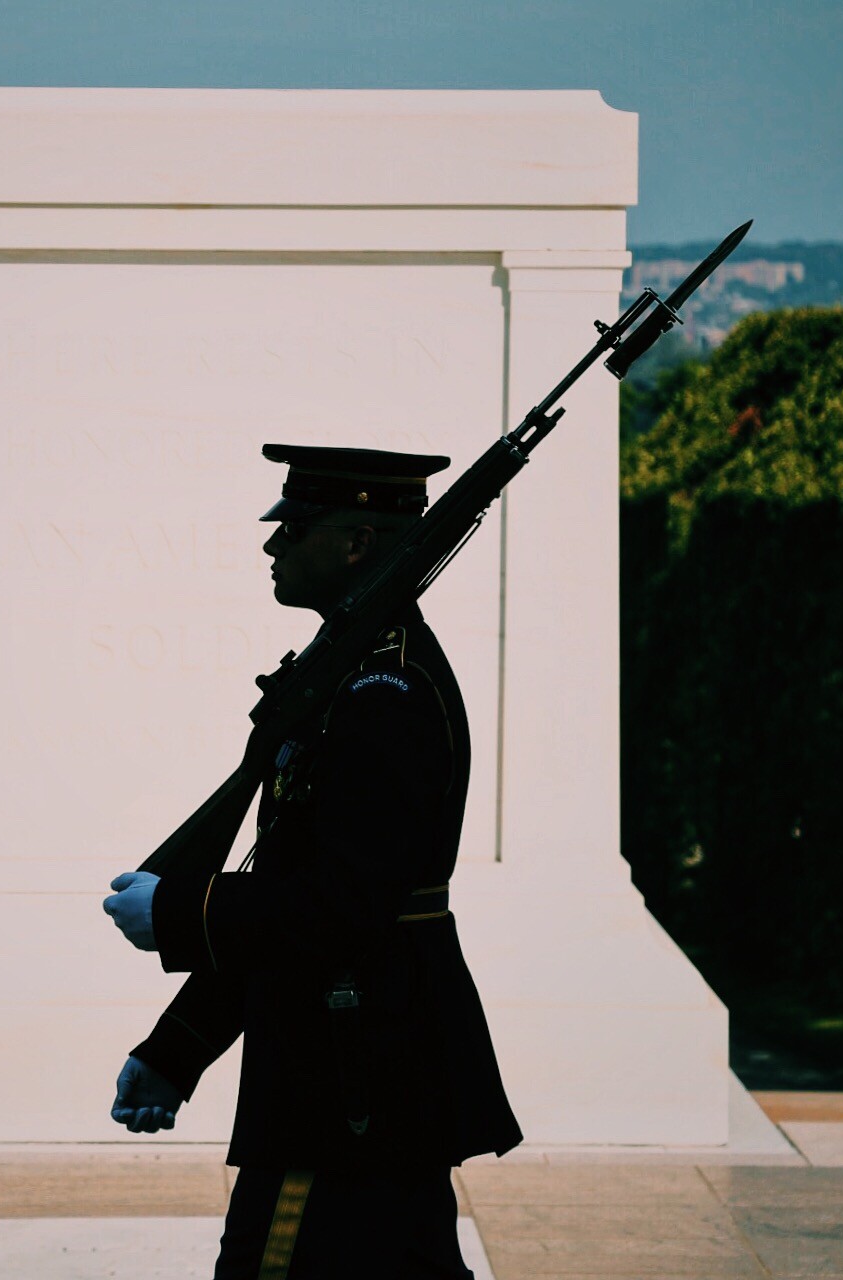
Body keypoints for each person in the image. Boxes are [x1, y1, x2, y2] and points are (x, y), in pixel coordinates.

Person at [103, 444, 523, 1278]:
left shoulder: (382, 696)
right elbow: (291, 897)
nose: (273, 545)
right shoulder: (348, 680)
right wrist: (174, 1049)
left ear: (358, 543)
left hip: (350, 1082)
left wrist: (183, 908)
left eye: (293, 528)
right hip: (349, 1069)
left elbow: (338, 909)